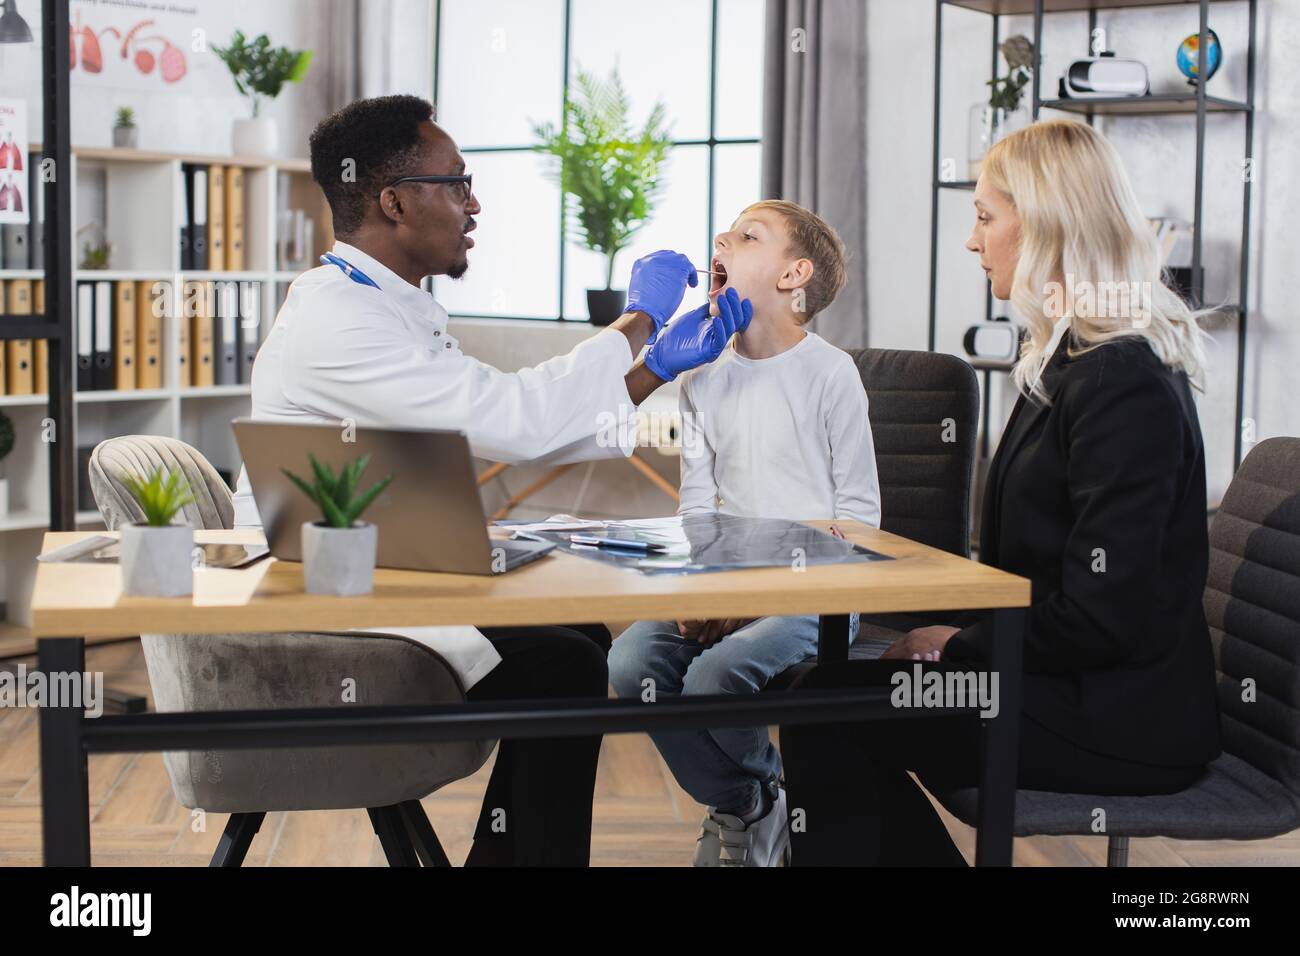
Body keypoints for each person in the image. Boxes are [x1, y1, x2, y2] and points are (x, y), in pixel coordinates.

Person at [230, 95, 750, 865]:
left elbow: (519, 425)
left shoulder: (383, 306)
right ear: (395, 201)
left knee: (576, 637)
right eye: (457, 182)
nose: (474, 203)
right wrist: (637, 322)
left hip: (376, 569)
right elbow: (514, 418)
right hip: (326, 617)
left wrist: (650, 373)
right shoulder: (338, 320)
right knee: (568, 662)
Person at [778, 119, 1221, 865]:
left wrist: (959, 644)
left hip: (1115, 717)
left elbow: (1102, 616)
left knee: (826, 708)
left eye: (986, 217)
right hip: (1064, 685)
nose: (972, 240)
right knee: (822, 690)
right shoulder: (1070, 362)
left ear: (1049, 225)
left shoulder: (1120, 383)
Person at [609, 200, 881, 867]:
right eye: (725, 231)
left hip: (820, 594)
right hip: (723, 582)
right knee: (630, 667)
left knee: (713, 681)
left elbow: (861, 518)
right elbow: (698, 509)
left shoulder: (831, 374)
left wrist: (760, 593)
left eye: (748, 235)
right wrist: (697, 587)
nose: (722, 239)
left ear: (795, 275)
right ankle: (753, 803)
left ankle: (747, 801)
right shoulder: (700, 376)